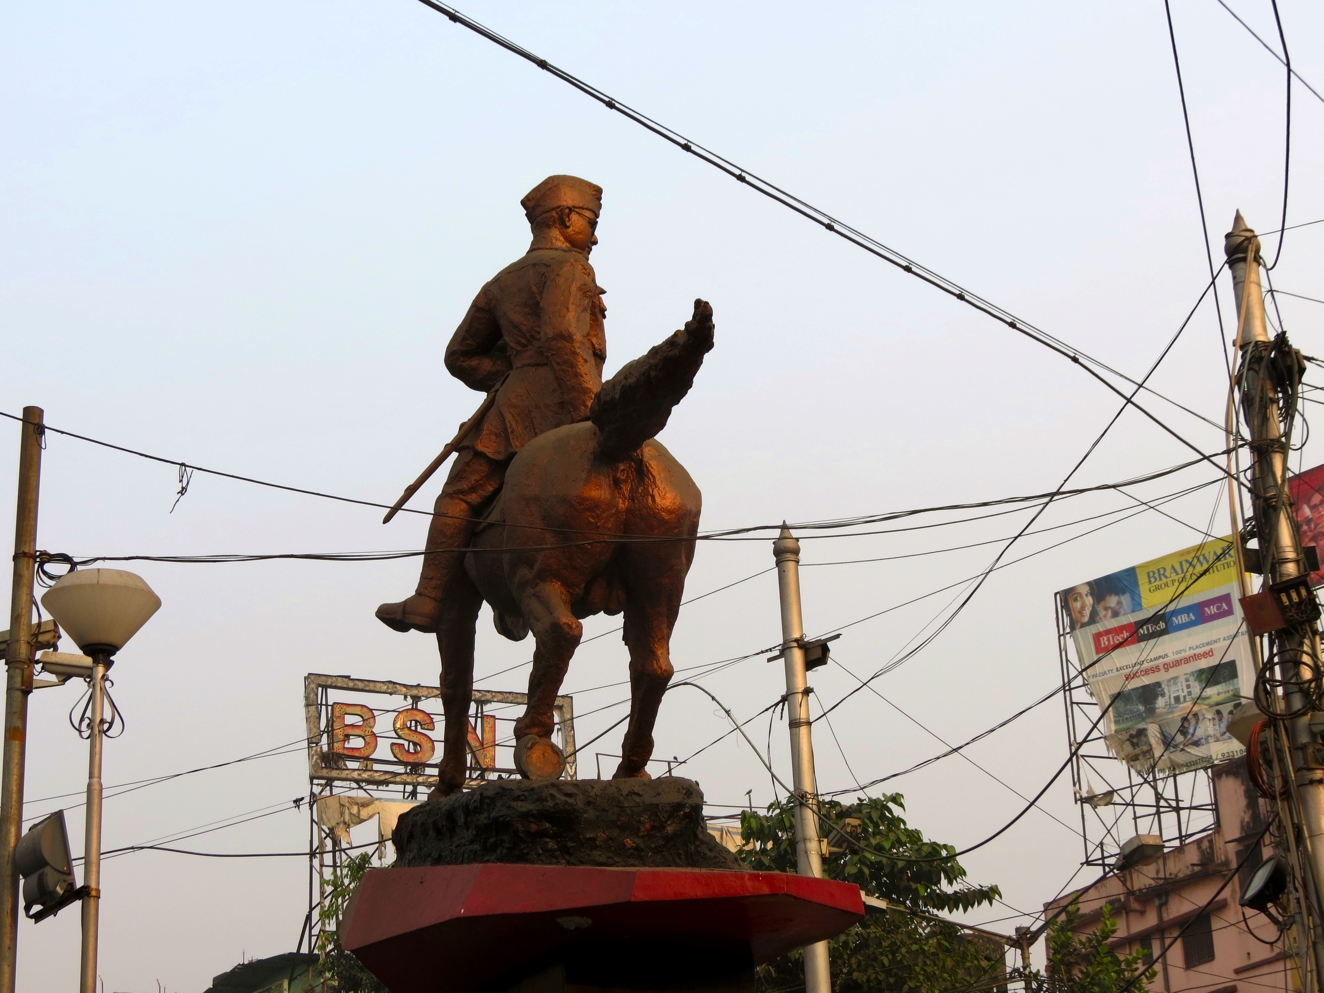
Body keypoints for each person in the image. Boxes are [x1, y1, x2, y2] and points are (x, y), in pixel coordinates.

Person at [376, 175, 608, 633]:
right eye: (590, 222)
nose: (595, 235)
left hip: (514, 407)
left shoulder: (500, 283)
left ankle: (429, 597)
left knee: (460, 497)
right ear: (564, 217)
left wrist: (507, 375)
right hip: (569, 399)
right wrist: (590, 410)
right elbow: (564, 337)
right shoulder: (573, 268)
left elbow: (459, 356)